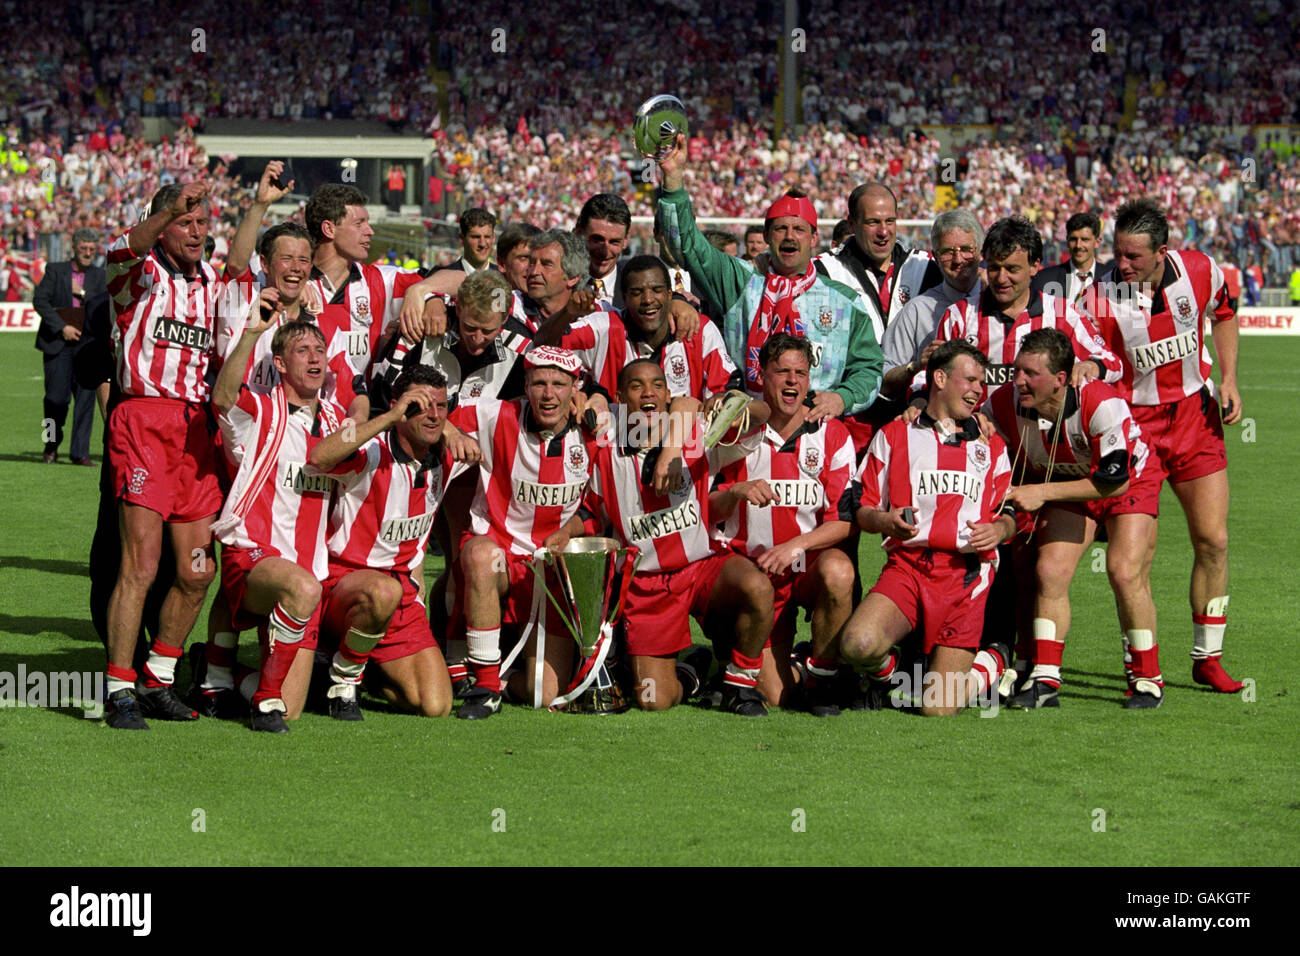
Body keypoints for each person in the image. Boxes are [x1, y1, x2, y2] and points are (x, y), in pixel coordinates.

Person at [1086, 198, 1245, 693]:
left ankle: (1207, 656)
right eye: (1118, 253)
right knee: (1136, 558)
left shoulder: (1201, 270)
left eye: (1134, 256)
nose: (1123, 264)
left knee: (1213, 541)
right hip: (1137, 428)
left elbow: (1223, 313)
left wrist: (1230, 378)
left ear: (1162, 252)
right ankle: (1142, 665)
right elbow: (1089, 360)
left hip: (1196, 419)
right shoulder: (1098, 296)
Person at [583, 359, 775, 715]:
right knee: (653, 698)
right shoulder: (604, 449)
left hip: (701, 569)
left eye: (657, 385)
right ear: (620, 398)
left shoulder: (695, 431)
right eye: (637, 387)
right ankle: (692, 669)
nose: (648, 393)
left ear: (668, 395)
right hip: (647, 586)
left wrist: (734, 400)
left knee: (757, 587)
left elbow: (763, 411)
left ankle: (739, 684)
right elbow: (589, 511)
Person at [985, 329, 1165, 710]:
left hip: (1129, 481)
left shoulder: (1100, 402)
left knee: (1123, 571)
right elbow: (977, 431)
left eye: (1031, 374)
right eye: (1017, 370)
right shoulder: (1003, 403)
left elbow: (1113, 481)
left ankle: (1148, 678)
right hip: (1070, 482)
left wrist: (1041, 493)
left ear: (1060, 379)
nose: (1018, 380)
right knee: (1049, 570)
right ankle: (1045, 678)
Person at [655, 133, 882, 426]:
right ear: (765, 237)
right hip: (749, 429)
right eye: (780, 229)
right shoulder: (741, 282)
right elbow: (686, 244)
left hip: (815, 434)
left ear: (814, 238)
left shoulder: (844, 301)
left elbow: (870, 368)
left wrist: (843, 397)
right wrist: (673, 179)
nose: (790, 236)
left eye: (799, 229)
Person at [102, 181, 223, 730]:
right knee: (141, 567)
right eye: (185, 222)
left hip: (196, 431)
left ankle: (158, 677)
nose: (197, 231)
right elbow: (119, 251)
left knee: (198, 571)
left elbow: (247, 263)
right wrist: (165, 210)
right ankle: (118, 688)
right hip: (146, 420)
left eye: (202, 222)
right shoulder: (139, 275)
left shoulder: (214, 281)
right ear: (163, 224)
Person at [840, 341, 1013, 716]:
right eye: (969, 379)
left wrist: (1000, 530)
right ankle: (894, 672)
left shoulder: (991, 443)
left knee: (937, 709)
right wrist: (885, 521)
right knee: (857, 644)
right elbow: (862, 508)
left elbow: (1010, 508)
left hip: (966, 575)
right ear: (939, 378)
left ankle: (993, 660)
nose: (978, 390)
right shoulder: (894, 435)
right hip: (908, 568)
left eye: (981, 383)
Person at [209, 311, 354, 732]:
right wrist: (253, 331)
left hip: (307, 571)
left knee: (296, 707)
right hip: (253, 554)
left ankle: (223, 671)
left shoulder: (333, 420)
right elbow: (222, 398)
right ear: (280, 364)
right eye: (301, 350)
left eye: (320, 350)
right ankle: (263, 703)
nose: (314, 358)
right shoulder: (261, 409)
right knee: (302, 587)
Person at [309, 365, 472, 720]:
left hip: (403, 600)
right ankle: (343, 682)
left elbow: (499, 421)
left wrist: (454, 428)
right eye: (419, 405)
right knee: (383, 592)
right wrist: (391, 417)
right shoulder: (370, 450)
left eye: (440, 406)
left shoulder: (444, 455)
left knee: (435, 706)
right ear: (398, 406)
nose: (432, 415)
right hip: (344, 588)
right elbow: (319, 457)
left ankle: (365, 670)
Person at [448, 347, 601, 718]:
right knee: (481, 557)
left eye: (559, 384)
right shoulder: (495, 414)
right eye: (539, 383)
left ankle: (499, 671)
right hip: (499, 552)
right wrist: (451, 433)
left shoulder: (595, 431)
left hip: (551, 568)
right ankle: (484, 686)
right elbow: (439, 419)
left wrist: (568, 530)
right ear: (526, 387)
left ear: (575, 388)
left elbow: (596, 508)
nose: (549, 394)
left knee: (541, 693)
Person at [710, 335, 857, 714]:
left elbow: (843, 521)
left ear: (810, 381)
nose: (792, 381)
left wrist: (797, 546)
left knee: (840, 570)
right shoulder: (735, 431)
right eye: (782, 372)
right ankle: (721, 662)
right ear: (761, 375)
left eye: (800, 373)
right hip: (751, 573)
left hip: (802, 568)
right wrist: (736, 491)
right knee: (780, 698)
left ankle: (823, 679)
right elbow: (704, 509)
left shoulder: (833, 434)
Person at [928, 216, 1121, 392]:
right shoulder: (959, 316)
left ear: (1034, 266)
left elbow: (1113, 363)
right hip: (978, 429)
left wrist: (1091, 366)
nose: (1001, 278)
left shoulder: (1062, 313)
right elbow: (929, 378)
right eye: (994, 268)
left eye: (1012, 269)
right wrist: (918, 400)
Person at [552, 254, 737, 402]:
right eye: (637, 293)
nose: (648, 299)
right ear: (624, 298)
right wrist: (567, 313)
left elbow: (729, 392)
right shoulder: (603, 328)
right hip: (615, 444)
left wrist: (719, 401)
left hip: (684, 444)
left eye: (656, 290)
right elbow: (544, 346)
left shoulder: (699, 330)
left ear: (669, 294)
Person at [878, 208, 983, 404]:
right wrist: (916, 366)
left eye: (966, 249)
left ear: (980, 251)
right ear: (934, 256)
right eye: (947, 252)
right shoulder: (917, 310)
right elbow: (882, 379)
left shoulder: (1000, 300)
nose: (958, 259)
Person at [33, 227, 104, 465]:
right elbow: (40, 301)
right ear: (73, 247)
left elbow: (101, 302)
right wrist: (62, 327)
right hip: (57, 344)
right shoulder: (55, 271)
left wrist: (81, 292)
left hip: (87, 346)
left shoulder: (100, 275)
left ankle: (80, 453)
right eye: (83, 248)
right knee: (54, 400)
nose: (87, 253)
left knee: (85, 402)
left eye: (91, 250)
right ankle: (50, 443)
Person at [1031, 211, 1116, 306]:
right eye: (1073, 239)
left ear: (1097, 242)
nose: (1078, 245)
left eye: (1085, 239)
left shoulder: (1113, 280)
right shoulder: (1044, 279)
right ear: (1067, 241)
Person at [575, 193, 630, 306]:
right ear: (579, 232)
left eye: (614, 242)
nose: (605, 251)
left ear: (625, 240)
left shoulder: (635, 287)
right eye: (597, 239)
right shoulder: (559, 283)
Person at [451, 207, 496, 273]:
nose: (482, 244)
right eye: (476, 237)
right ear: (462, 238)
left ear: (493, 238)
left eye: (487, 237)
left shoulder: (506, 278)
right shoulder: (442, 278)